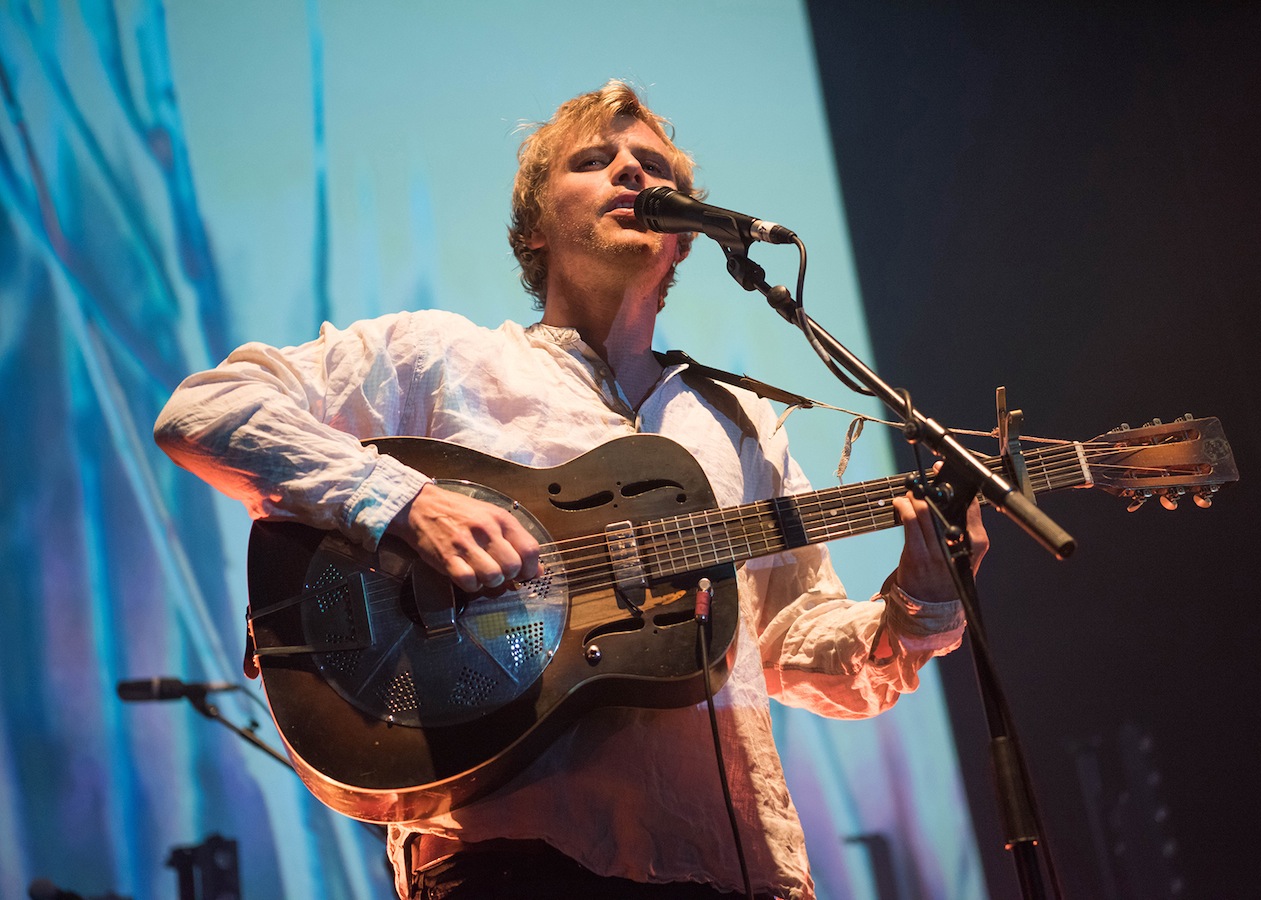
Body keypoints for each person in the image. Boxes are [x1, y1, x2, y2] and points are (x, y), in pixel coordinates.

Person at [154, 80, 988, 900]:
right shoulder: (439, 359)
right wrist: (402, 501)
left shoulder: (738, 423)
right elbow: (206, 409)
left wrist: (920, 606)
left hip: (733, 870)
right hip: (509, 862)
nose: (632, 171)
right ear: (535, 229)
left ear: (684, 239)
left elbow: (790, 644)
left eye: (654, 166)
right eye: (593, 160)